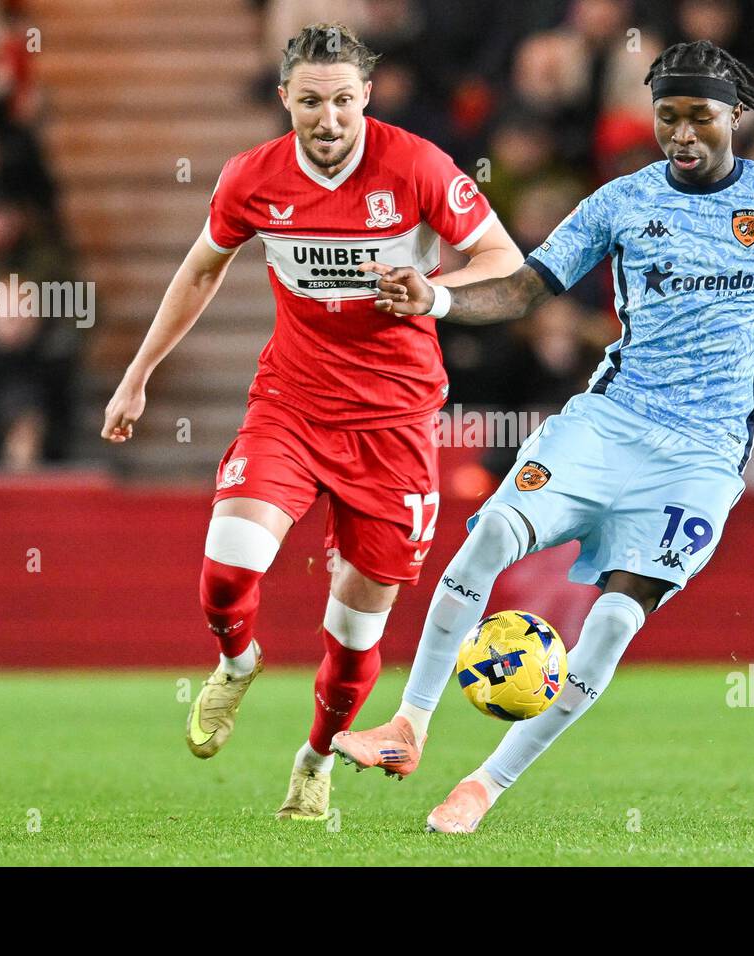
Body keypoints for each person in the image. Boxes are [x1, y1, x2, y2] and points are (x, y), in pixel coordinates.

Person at [332, 39, 754, 833]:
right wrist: (435, 300)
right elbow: (523, 288)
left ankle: (484, 785)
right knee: (488, 541)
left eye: (699, 117)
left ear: (736, 117)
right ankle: (408, 724)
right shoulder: (621, 201)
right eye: (667, 116)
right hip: (607, 425)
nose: (681, 133)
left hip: (703, 459)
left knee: (612, 624)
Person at [99, 22, 522, 821]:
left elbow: (503, 260)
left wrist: (435, 297)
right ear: (284, 99)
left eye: (342, 102)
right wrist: (136, 376)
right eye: (310, 102)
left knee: (354, 638)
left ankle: (316, 757)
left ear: (367, 97)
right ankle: (238, 660)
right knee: (226, 569)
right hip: (290, 407)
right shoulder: (250, 178)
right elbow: (200, 270)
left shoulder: (419, 167)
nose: (328, 121)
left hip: (395, 427)